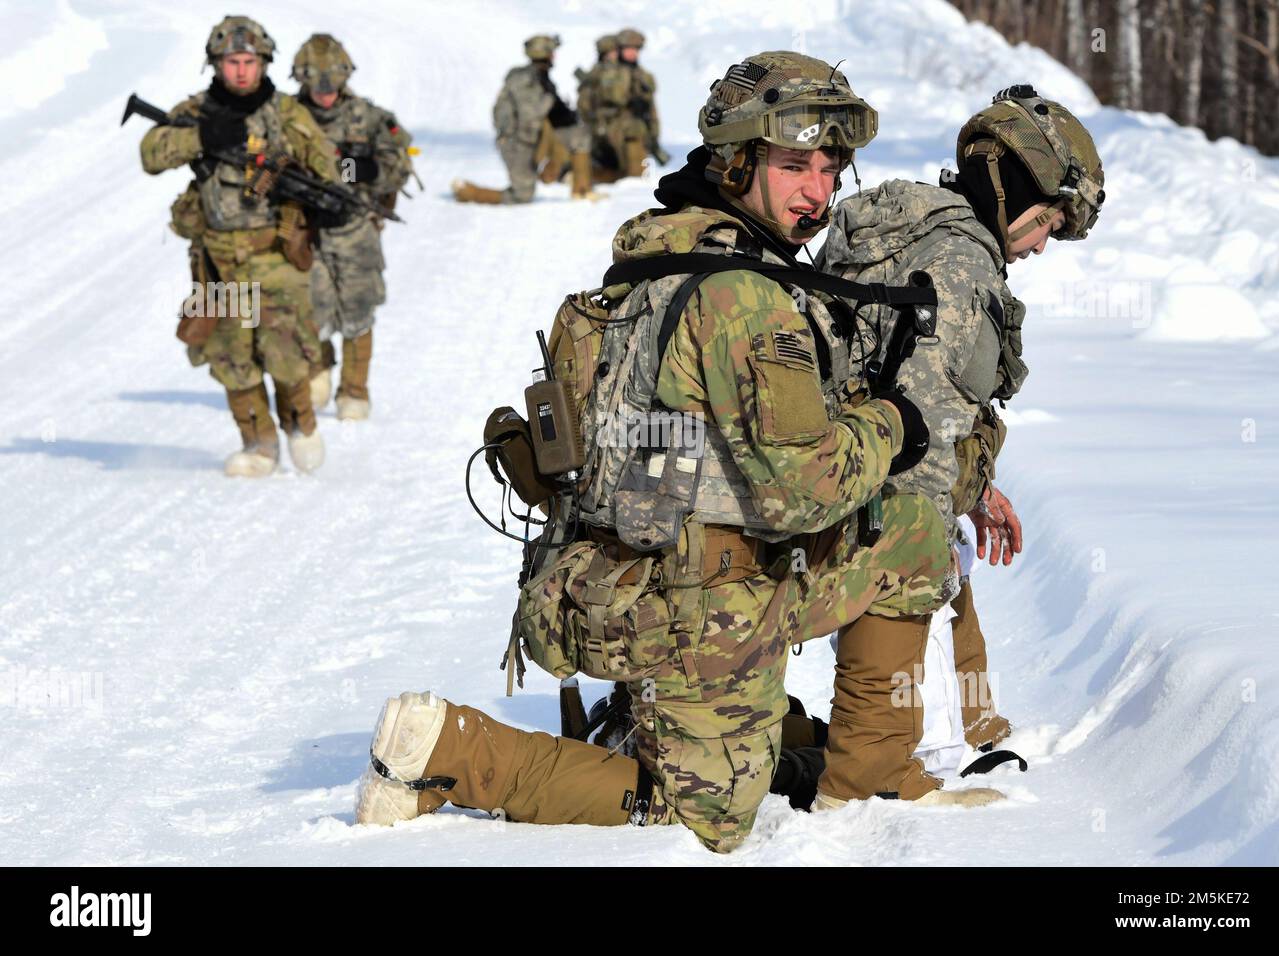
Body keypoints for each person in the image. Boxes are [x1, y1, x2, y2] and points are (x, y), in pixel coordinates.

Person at [354, 52, 938, 853]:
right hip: (692, 610)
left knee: (895, 527)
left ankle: (682, 724)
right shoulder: (743, 296)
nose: (819, 190)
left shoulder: (642, 266)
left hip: (598, 588)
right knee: (703, 823)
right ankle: (455, 751)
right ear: (735, 163)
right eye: (796, 164)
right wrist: (894, 422)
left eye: (831, 168)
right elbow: (800, 494)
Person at [801, 85, 1105, 810]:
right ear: (1017, 191)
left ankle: (971, 723)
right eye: (1048, 223)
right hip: (865, 509)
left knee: (945, 537)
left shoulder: (899, 214)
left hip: (828, 464)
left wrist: (978, 490)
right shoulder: (964, 266)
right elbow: (924, 455)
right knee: (930, 551)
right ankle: (921, 757)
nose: (1039, 246)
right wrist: (941, 531)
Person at [139, 15, 340, 476]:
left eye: (249, 61)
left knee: (288, 356)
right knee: (231, 359)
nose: (242, 71)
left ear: (264, 62)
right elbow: (151, 153)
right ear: (217, 63)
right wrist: (202, 137)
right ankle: (259, 445)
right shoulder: (198, 110)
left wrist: (327, 193)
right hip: (217, 261)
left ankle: (301, 427)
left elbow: (331, 163)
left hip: (275, 257)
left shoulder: (285, 112)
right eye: (233, 61)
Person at [292, 34, 412, 421]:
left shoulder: (368, 117)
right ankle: (317, 372)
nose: (325, 93)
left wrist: (369, 169)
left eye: (332, 83)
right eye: (316, 83)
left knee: (359, 311)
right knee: (311, 310)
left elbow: (401, 163)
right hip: (305, 230)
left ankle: (355, 391)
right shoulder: (287, 117)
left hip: (356, 229)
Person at [452, 35, 594, 204]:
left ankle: (581, 191)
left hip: (534, 138)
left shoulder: (542, 78)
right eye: (552, 52)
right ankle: (466, 191)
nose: (554, 56)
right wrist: (550, 100)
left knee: (580, 137)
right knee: (522, 195)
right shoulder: (525, 78)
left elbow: (558, 114)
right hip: (517, 143)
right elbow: (531, 115)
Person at [591, 27, 666, 180]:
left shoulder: (644, 75)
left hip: (637, 130)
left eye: (635, 49)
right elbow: (607, 99)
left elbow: (652, 109)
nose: (632, 53)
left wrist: (654, 134)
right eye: (628, 49)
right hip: (610, 130)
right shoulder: (608, 72)